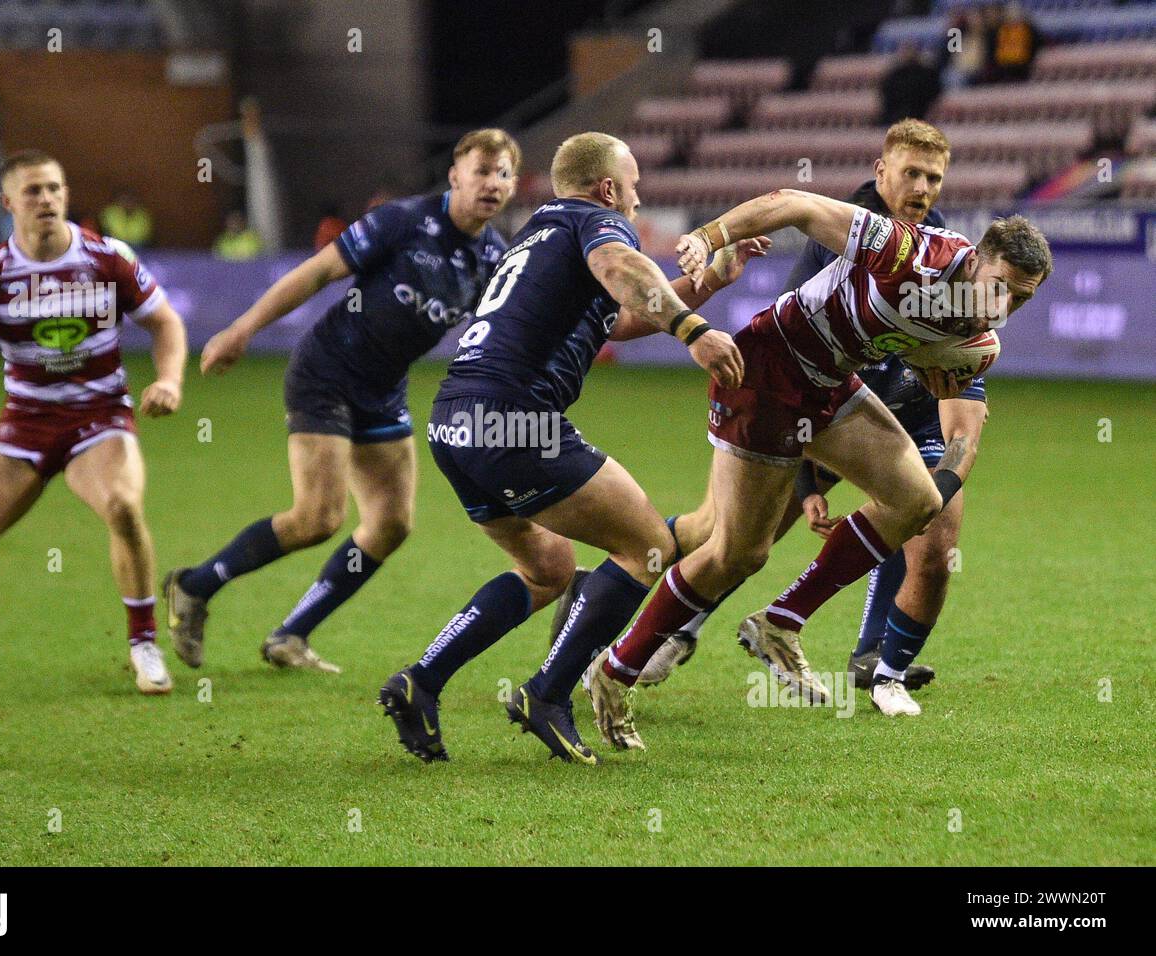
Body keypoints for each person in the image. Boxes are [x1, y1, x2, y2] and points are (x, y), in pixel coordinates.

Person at [585, 189, 1051, 750]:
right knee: (738, 552)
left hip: (832, 385)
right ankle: (614, 672)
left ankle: (780, 619)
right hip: (768, 368)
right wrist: (708, 237)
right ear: (975, 261)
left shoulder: (977, 343)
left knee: (919, 501)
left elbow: (955, 410)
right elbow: (794, 205)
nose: (1003, 305)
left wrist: (933, 382)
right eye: (1000, 287)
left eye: (1020, 300)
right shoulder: (909, 252)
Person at [376, 131, 764, 765]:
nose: (637, 200)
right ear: (608, 188)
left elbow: (620, 315)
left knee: (548, 570)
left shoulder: (541, 235)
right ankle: (548, 695)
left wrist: (711, 282)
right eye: (633, 186)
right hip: (514, 422)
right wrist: (695, 332)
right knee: (649, 547)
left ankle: (422, 681)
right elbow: (621, 271)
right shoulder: (596, 221)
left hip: (454, 425)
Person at [636, 120, 990, 711]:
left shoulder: (943, 243)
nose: (923, 187)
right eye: (911, 173)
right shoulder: (847, 230)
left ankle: (872, 657)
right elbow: (795, 338)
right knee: (738, 535)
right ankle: (657, 621)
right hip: (799, 395)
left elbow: (950, 346)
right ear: (881, 173)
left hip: (864, 403)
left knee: (922, 514)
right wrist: (807, 481)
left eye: (934, 177)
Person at [163, 129, 520, 674]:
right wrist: (242, 329)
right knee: (317, 518)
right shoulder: (402, 222)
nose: (491, 184)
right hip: (326, 372)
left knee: (391, 523)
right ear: (455, 175)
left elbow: (505, 332)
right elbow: (318, 271)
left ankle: (290, 634)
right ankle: (194, 584)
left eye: (503, 174)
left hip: (384, 389)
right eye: (482, 172)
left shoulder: (494, 255)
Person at [0, 150, 188, 700]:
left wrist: (169, 380)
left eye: (54, 188)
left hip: (99, 417)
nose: (46, 199)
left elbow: (165, 323)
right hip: (24, 425)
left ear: (65, 194)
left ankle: (144, 643)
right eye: (33, 191)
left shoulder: (107, 256)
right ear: (8, 202)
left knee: (122, 506)